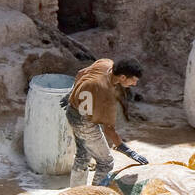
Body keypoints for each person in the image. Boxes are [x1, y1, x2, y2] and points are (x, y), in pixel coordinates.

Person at [62, 57, 148, 188]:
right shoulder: (106, 95)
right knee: (105, 163)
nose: (135, 84)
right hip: (84, 123)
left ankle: (75, 193)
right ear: (123, 77)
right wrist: (127, 150)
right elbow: (109, 130)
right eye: (134, 80)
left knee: (83, 155)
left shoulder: (105, 64)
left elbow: (81, 73)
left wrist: (72, 93)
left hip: (71, 111)